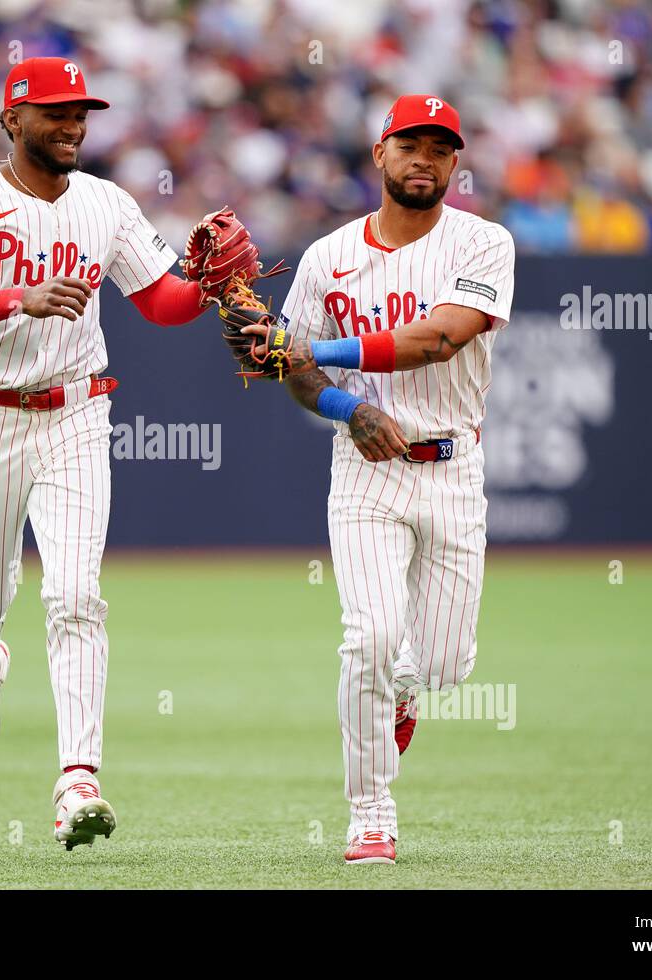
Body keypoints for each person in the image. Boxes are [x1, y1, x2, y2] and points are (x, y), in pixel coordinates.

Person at [0, 57, 260, 849]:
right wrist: (14, 297)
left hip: (76, 412)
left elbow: (161, 304)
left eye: (81, 113)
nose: (72, 125)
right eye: (56, 113)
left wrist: (205, 280)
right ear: (12, 119)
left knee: (74, 596)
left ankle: (78, 780)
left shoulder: (105, 203)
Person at [242, 95, 515, 865]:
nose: (424, 157)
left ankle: (404, 690)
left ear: (456, 163)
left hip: (453, 464)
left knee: (441, 667)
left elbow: (437, 340)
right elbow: (289, 371)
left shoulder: (484, 244)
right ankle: (370, 812)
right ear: (380, 155)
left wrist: (313, 354)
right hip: (365, 473)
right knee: (367, 637)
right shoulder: (329, 256)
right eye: (410, 143)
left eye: (441, 146)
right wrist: (340, 407)